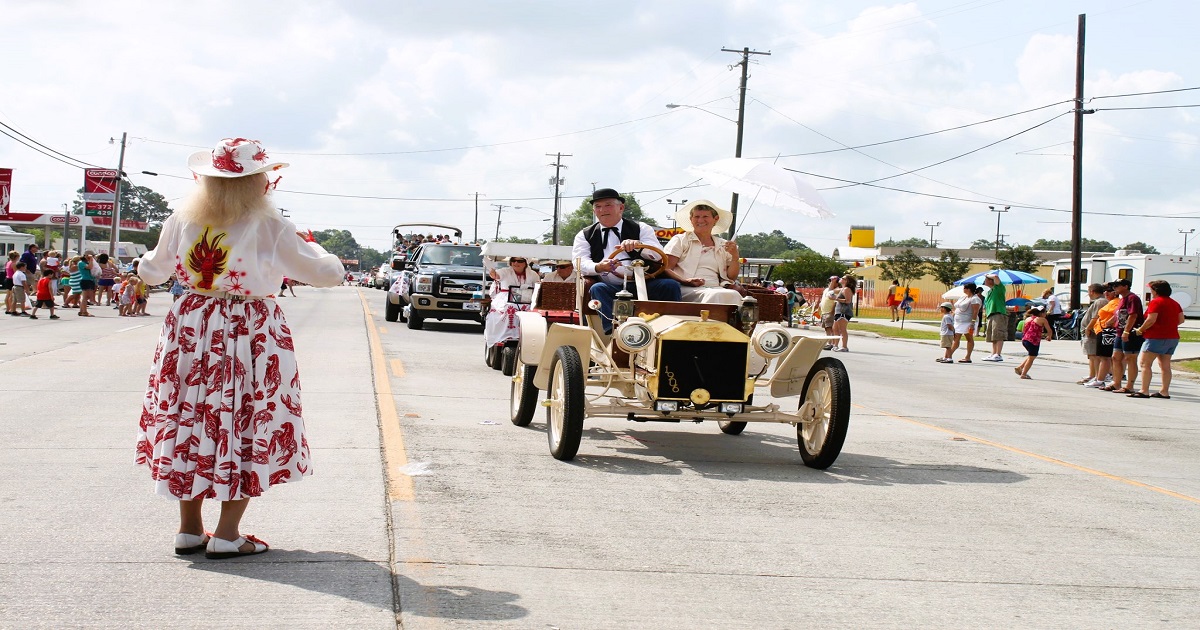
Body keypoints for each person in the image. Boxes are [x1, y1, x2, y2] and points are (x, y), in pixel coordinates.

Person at [135, 138, 345, 559]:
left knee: (189, 417)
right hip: (250, 328)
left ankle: (189, 530)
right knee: (244, 419)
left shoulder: (182, 218)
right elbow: (325, 275)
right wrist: (321, 249)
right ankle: (228, 534)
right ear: (257, 181)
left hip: (191, 326)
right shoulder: (271, 226)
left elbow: (153, 271)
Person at [572, 188, 680, 333]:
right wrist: (598, 267)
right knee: (597, 289)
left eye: (608, 205)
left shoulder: (641, 228)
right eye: (598, 206)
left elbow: (658, 255)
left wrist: (639, 247)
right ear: (594, 211)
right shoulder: (585, 234)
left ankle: (671, 331)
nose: (603, 210)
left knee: (670, 286)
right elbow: (579, 262)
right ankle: (615, 333)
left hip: (646, 284)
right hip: (612, 289)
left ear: (621, 207)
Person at [662, 200, 741, 306]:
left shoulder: (723, 245)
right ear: (691, 219)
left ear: (715, 219)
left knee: (734, 295)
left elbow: (731, 277)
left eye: (705, 216)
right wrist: (685, 281)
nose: (700, 220)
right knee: (715, 296)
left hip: (716, 288)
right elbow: (666, 268)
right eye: (697, 216)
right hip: (686, 288)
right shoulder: (680, 240)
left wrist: (735, 257)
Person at [1130, 280, 1183, 399]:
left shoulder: (1156, 302)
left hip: (1155, 337)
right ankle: (1164, 391)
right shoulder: (1174, 303)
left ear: (1156, 290)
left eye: (1152, 289)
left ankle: (1144, 390)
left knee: (1145, 363)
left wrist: (1140, 330)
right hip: (1172, 337)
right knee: (1165, 365)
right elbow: (1181, 319)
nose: (1151, 291)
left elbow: (1151, 319)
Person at [484, 255, 541, 350]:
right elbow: (495, 276)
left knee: (533, 311)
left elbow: (538, 287)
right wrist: (491, 269)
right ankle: (508, 335)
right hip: (506, 298)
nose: (516, 263)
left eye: (519, 261)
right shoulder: (505, 271)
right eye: (514, 261)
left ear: (525, 263)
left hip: (527, 299)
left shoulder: (533, 274)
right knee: (509, 307)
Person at [1107, 278, 1144, 394]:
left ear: (1126, 286)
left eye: (1117, 286)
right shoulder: (1122, 299)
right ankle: (1116, 383)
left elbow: (1133, 316)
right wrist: (1110, 321)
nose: (1114, 288)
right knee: (1115, 357)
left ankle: (1129, 386)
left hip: (1130, 333)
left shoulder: (1133, 298)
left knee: (1130, 358)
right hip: (1119, 331)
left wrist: (1126, 331)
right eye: (1113, 286)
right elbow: (1120, 314)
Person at [1090, 284, 1119, 389]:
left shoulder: (1116, 302)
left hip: (1108, 332)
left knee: (1106, 357)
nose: (1106, 293)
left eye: (1109, 291)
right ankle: (1100, 378)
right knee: (1103, 357)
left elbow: (1117, 314)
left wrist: (1109, 322)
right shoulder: (1110, 302)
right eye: (1105, 291)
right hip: (1101, 330)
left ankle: (1102, 379)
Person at [1079, 283, 1109, 386]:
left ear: (1092, 291)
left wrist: (1088, 328)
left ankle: (1097, 376)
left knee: (1094, 356)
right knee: (1091, 355)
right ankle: (1092, 375)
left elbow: (1095, 317)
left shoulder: (1100, 301)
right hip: (1091, 332)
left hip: (1093, 332)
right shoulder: (1098, 301)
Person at [1015, 305, 1051, 379]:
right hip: (1033, 341)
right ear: (1041, 313)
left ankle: (1020, 367)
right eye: (1045, 312)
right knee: (1032, 358)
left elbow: (1023, 330)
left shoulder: (1028, 319)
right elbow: (1049, 330)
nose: (1046, 314)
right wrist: (1049, 336)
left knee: (1031, 356)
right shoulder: (1042, 319)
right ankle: (1023, 374)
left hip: (1025, 340)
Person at [950, 281, 981, 362]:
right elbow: (957, 307)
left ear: (969, 289)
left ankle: (967, 357)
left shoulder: (975, 299)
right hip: (959, 321)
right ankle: (948, 355)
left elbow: (975, 311)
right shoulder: (963, 297)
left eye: (964, 288)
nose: (963, 289)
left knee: (968, 338)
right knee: (955, 338)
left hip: (968, 322)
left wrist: (972, 323)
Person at [981, 273, 1008, 362]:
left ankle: (998, 354)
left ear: (990, 280)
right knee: (993, 335)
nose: (984, 282)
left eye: (986, 280)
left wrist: (987, 275)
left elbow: (996, 277)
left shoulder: (999, 288)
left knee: (999, 334)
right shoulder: (988, 292)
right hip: (991, 314)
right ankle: (993, 353)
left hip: (998, 313)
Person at [831, 275, 856, 352]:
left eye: (843, 278)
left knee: (842, 329)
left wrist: (836, 299)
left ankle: (844, 346)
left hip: (844, 311)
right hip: (839, 311)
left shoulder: (847, 289)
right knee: (835, 328)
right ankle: (835, 345)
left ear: (847, 281)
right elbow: (832, 290)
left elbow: (848, 301)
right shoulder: (842, 289)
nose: (841, 279)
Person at [819, 276, 840, 350]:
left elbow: (835, 303)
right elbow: (823, 299)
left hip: (829, 312)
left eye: (832, 281)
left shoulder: (836, 291)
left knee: (830, 328)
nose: (830, 283)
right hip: (824, 312)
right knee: (827, 328)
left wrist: (832, 312)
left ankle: (833, 344)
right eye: (830, 281)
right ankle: (829, 343)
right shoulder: (827, 290)